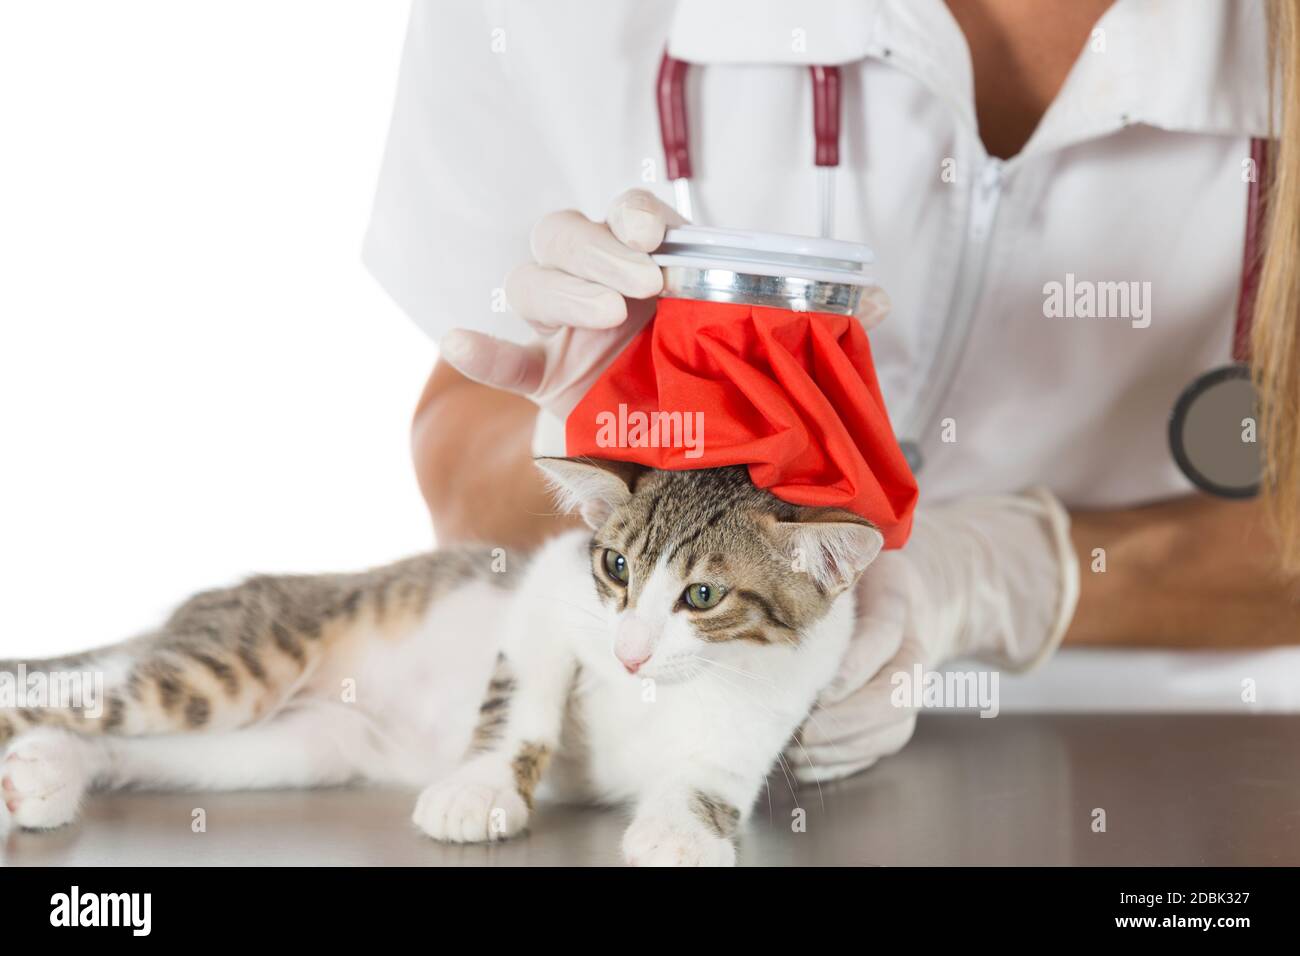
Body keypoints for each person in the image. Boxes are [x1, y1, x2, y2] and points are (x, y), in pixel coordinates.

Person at [363, 0, 1300, 780]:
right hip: (667, 734)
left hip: (1190, 756)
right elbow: (462, 480)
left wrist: (996, 575)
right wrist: (602, 453)